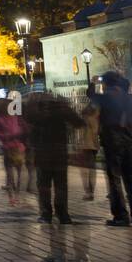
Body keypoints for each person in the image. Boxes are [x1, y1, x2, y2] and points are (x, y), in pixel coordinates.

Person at [26, 92, 83, 224]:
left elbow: (27, 119)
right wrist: (66, 107)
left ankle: (46, 214)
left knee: (44, 186)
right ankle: (62, 214)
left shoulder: (37, 112)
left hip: (42, 155)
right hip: (59, 155)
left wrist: (31, 103)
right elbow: (78, 122)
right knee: (61, 186)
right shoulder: (61, 110)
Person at [98, 72, 132, 227]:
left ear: (106, 83)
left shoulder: (106, 97)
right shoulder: (128, 98)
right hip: (129, 141)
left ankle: (121, 216)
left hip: (112, 142)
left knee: (115, 179)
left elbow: (93, 100)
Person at [0, 98, 27, 207]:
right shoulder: (0, 119)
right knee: (10, 175)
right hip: (8, 149)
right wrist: (11, 136)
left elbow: (23, 129)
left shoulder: (16, 118)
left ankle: (17, 196)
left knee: (20, 175)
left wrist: (22, 134)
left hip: (18, 149)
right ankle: (11, 198)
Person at [76, 91, 101, 201]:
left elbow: (89, 133)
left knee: (86, 170)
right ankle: (90, 191)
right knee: (91, 169)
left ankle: (89, 192)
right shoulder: (94, 118)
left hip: (87, 146)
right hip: (92, 146)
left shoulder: (87, 120)